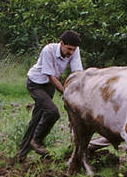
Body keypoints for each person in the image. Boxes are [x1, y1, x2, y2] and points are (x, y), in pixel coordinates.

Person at [17, 30, 83, 161]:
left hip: (49, 86)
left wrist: (79, 93)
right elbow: (50, 76)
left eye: (73, 50)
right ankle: (37, 141)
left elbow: (77, 74)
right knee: (52, 112)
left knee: (37, 118)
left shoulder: (75, 51)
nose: (71, 53)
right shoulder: (48, 50)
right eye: (69, 49)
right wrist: (67, 94)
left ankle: (21, 155)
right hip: (36, 83)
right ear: (62, 43)